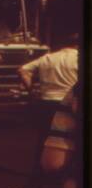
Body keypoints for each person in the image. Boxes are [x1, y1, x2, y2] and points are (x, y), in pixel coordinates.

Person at [18, 33, 78, 168]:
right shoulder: (78, 59)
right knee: (67, 140)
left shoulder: (48, 58)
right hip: (66, 105)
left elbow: (23, 70)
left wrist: (30, 89)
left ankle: (39, 171)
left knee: (44, 139)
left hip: (46, 102)